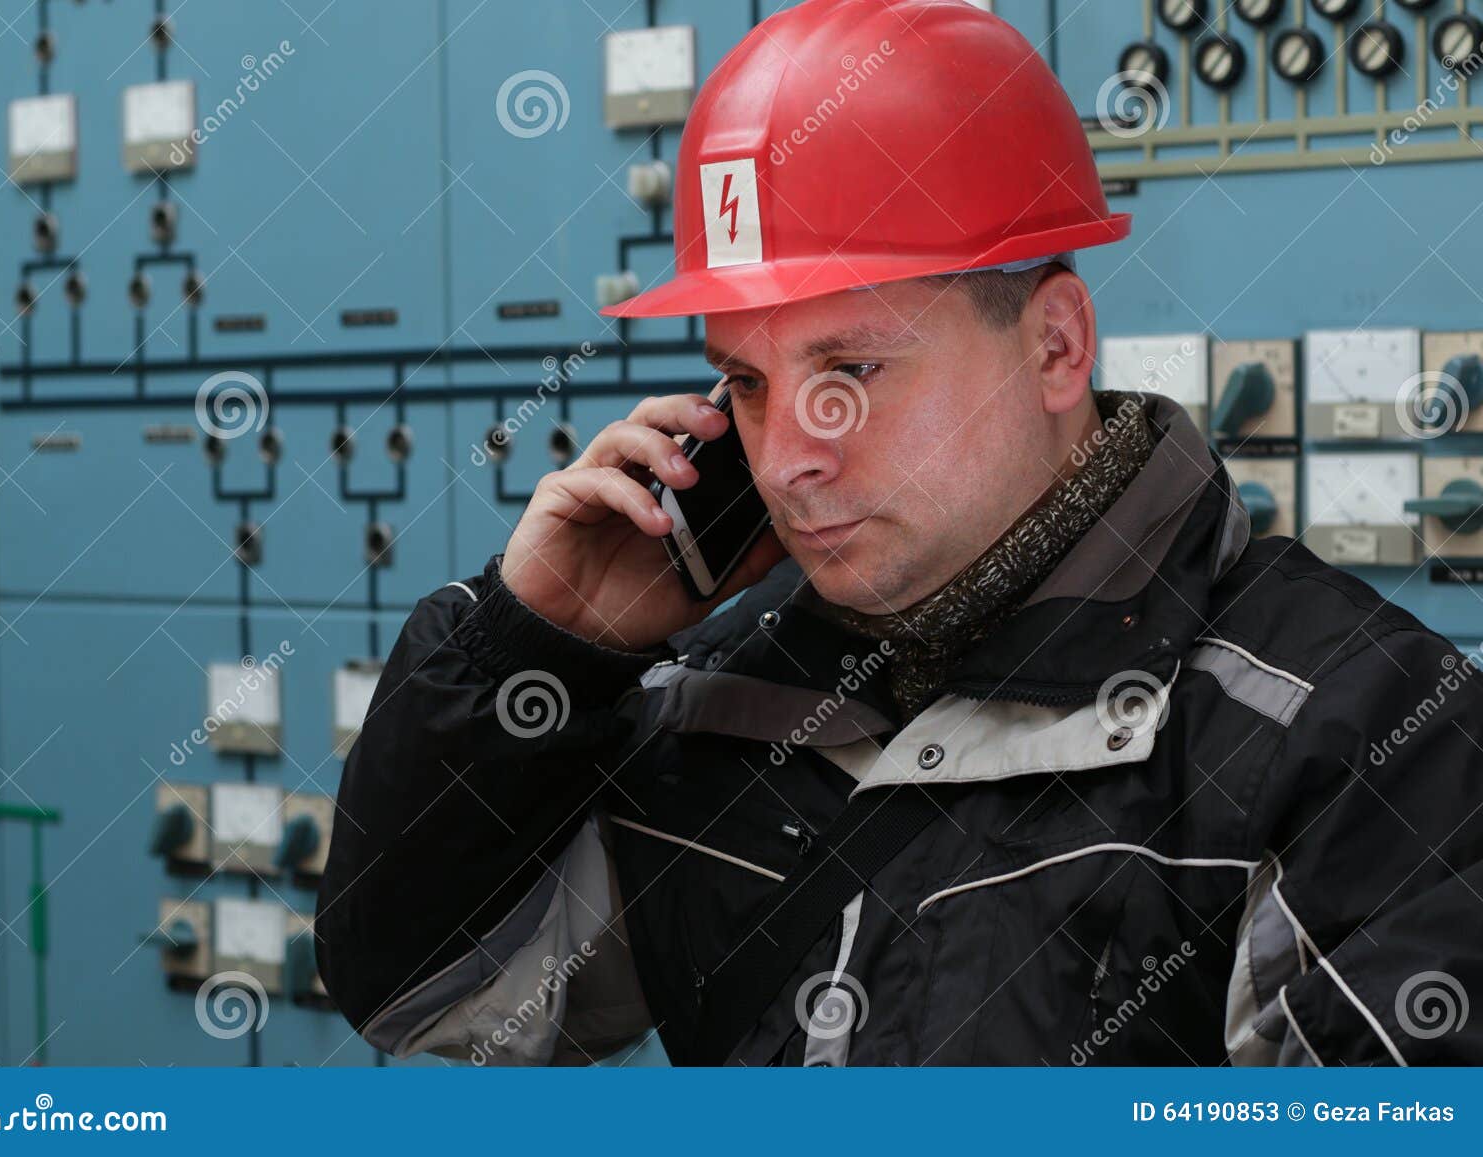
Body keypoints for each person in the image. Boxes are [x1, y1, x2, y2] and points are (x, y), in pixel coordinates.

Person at [315, 0, 1483, 1065]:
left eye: (852, 370)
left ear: (1056, 345)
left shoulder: (1359, 736)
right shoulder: (723, 703)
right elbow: (433, 1003)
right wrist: (540, 650)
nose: (785, 458)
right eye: (746, 383)